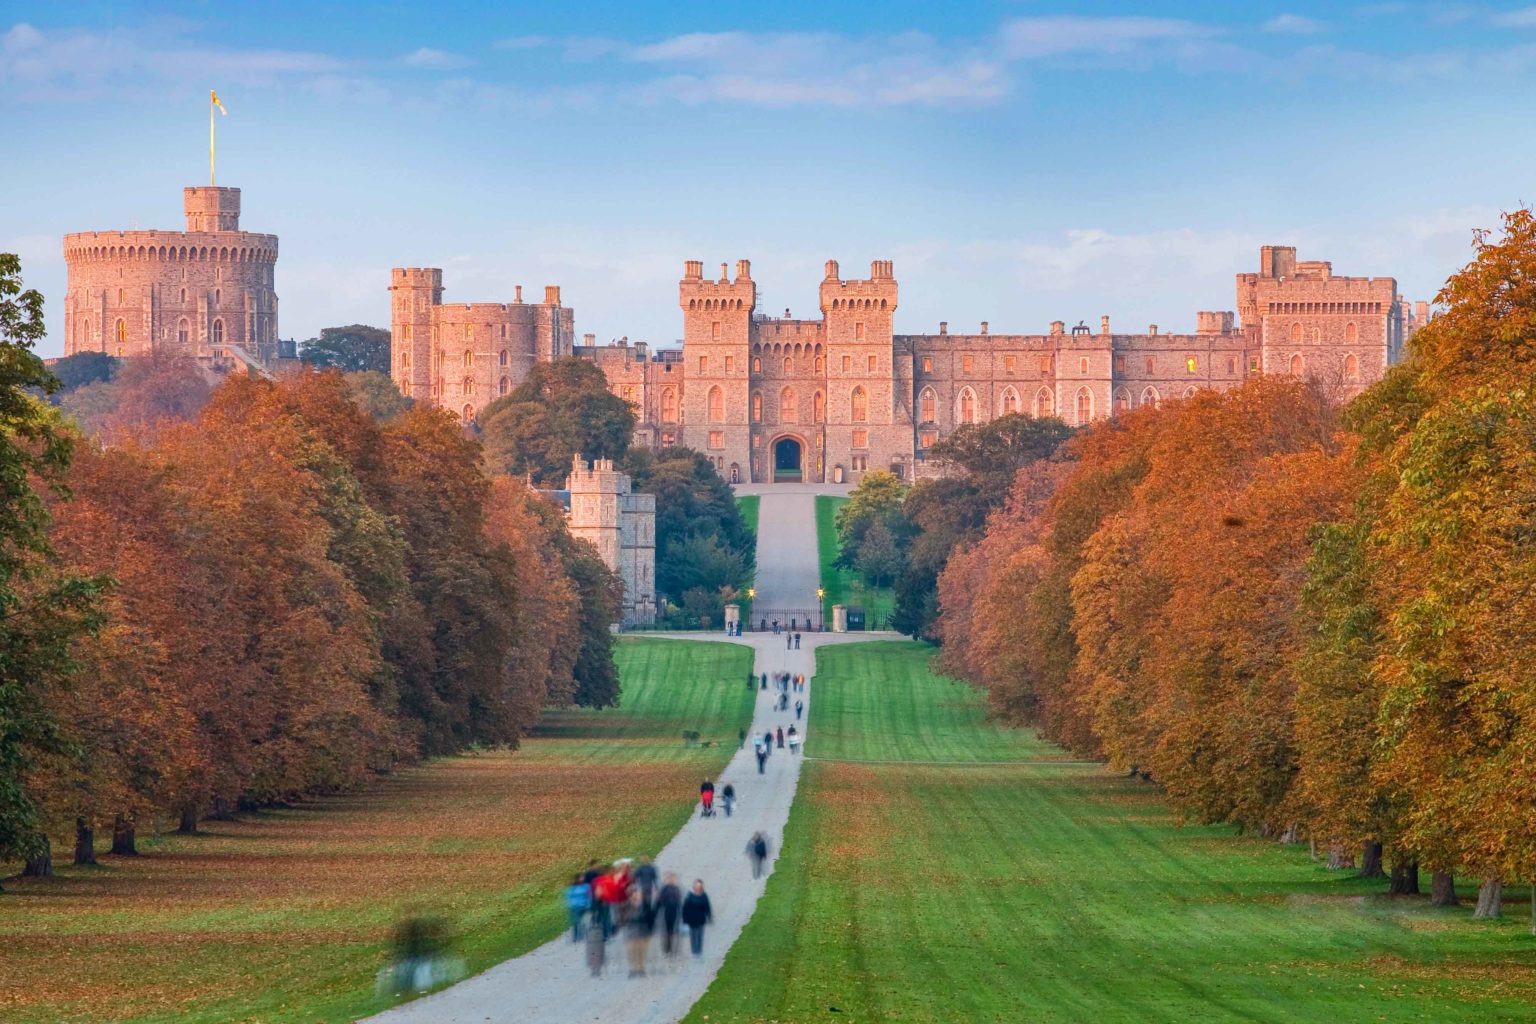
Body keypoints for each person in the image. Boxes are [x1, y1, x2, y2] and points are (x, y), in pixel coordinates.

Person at [623, 888, 651, 977]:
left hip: (643, 932)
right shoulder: (626, 905)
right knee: (632, 952)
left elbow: (650, 917)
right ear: (631, 896)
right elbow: (623, 919)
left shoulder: (645, 905)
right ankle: (633, 969)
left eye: (638, 894)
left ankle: (641, 969)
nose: (637, 896)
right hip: (631, 932)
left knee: (642, 952)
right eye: (634, 894)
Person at [681, 880, 713, 957]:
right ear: (694, 886)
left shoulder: (704, 895)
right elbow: (685, 908)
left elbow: (707, 907)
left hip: (701, 919)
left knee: (699, 936)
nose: (698, 887)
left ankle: (699, 952)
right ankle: (694, 951)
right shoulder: (690, 896)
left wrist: (709, 917)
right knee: (693, 936)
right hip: (692, 920)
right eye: (697, 886)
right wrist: (685, 920)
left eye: (700, 886)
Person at [657, 872, 682, 956]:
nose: (671, 880)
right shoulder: (664, 889)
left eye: (672, 878)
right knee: (667, 930)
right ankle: (667, 948)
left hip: (674, 912)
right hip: (666, 912)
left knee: (672, 930)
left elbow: (679, 901)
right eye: (669, 878)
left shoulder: (676, 889)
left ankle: (670, 948)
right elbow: (659, 901)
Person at [566, 873, 592, 942]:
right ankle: (576, 936)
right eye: (581, 877)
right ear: (577, 879)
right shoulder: (573, 887)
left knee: (583, 921)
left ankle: (582, 935)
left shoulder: (587, 886)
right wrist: (570, 904)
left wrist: (589, 905)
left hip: (584, 906)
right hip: (575, 907)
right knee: (575, 922)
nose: (582, 879)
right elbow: (569, 896)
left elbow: (589, 896)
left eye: (583, 877)